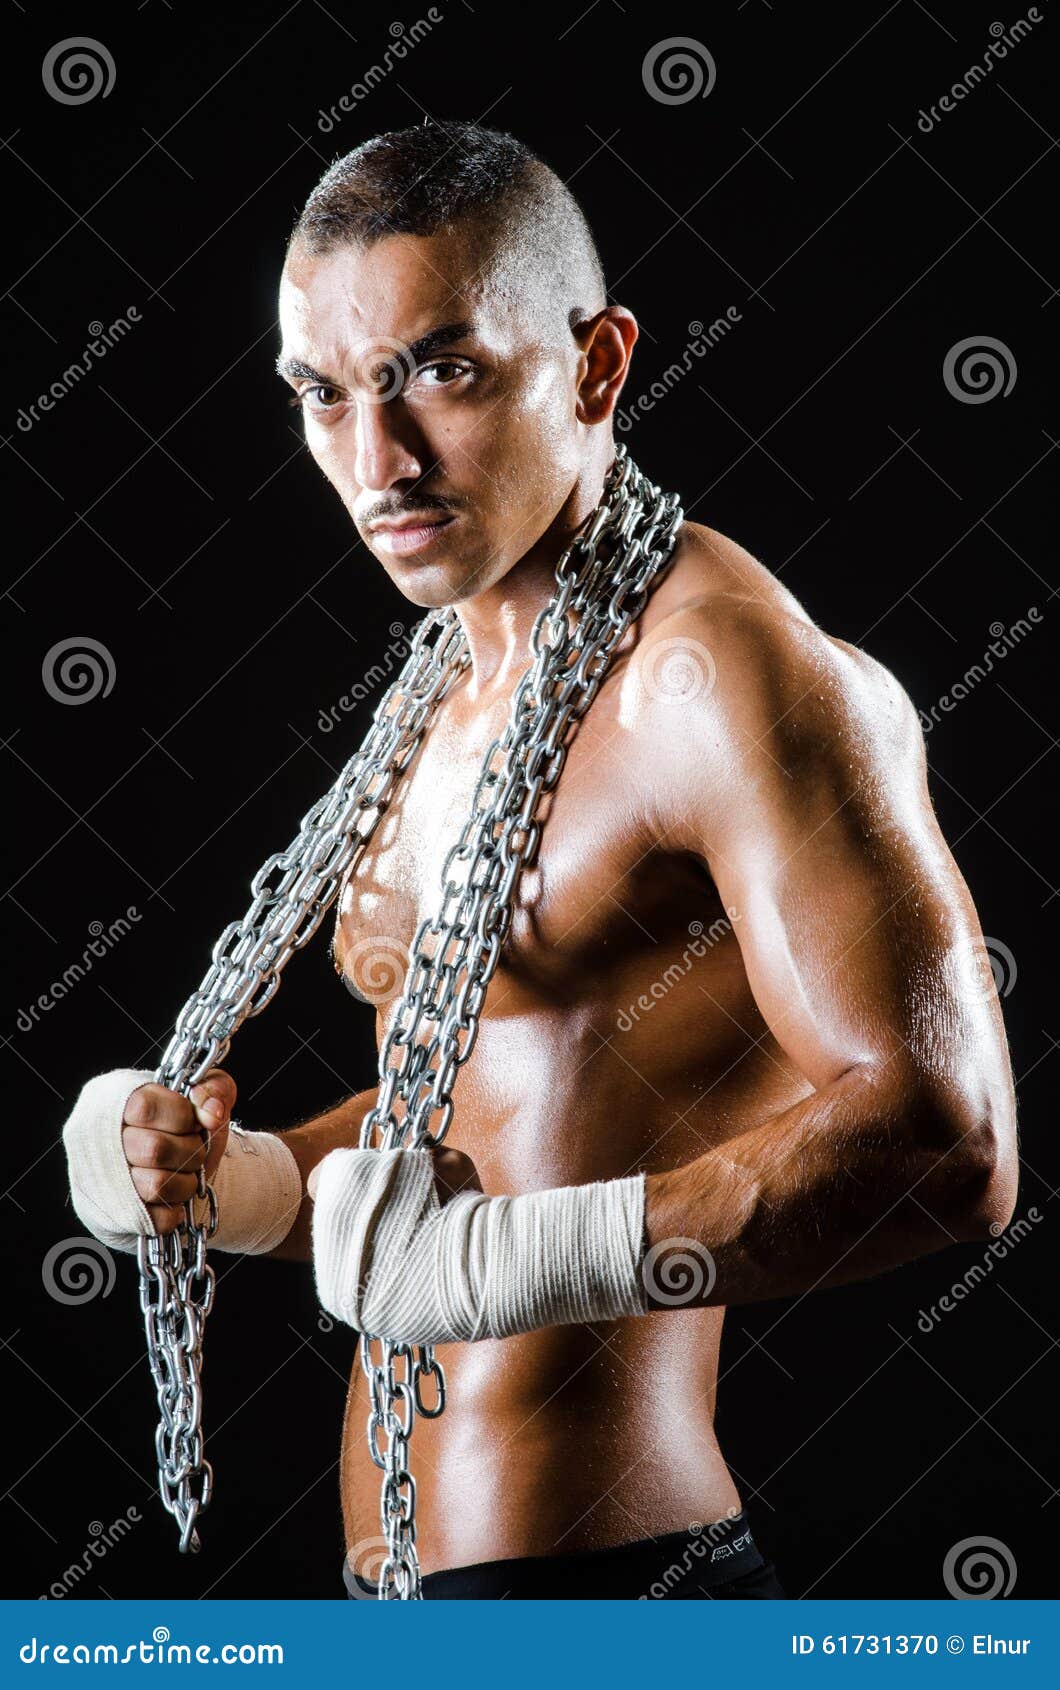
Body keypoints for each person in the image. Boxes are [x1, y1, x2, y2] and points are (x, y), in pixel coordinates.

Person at [62, 121, 1018, 1601]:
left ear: (596, 364)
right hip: (398, 1594)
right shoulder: (447, 682)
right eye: (325, 394)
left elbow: (949, 1144)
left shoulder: (725, 673)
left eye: (442, 373)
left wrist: (487, 1268)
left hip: (615, 1588)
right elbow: (501, 1115)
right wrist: (243, 1181)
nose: (379, 462)